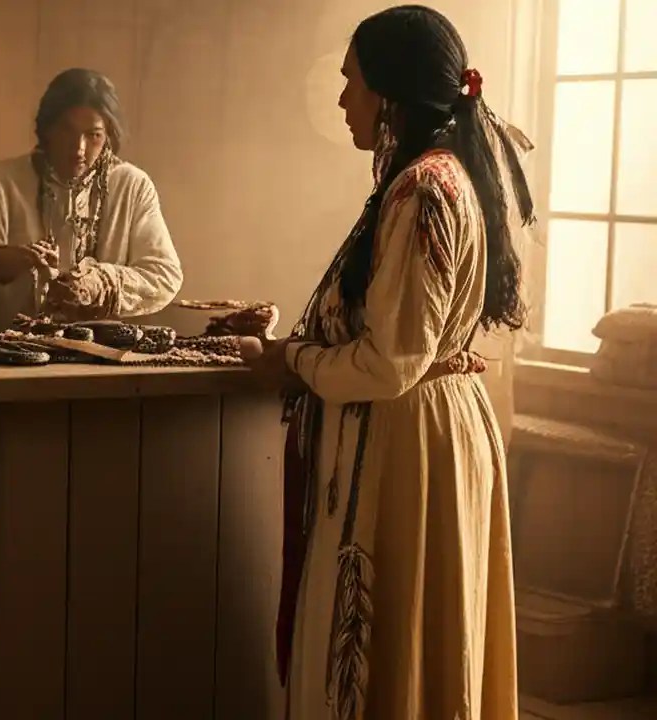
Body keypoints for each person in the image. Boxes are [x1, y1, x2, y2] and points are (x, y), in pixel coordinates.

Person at [248, 5, 535, 719]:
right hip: (438, 428)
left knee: (388, 642)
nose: (344, 101)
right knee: (421, 641)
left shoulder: (424, 190)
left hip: (408, 443)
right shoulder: (446, 177)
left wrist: (295, 358)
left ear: (389, 92)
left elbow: (390, 362)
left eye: (352, 83)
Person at [0, 68, 183, 338]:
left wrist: (101, 283)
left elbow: (164, 275)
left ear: (108, 136)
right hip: (6, 353)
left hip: (103, 357)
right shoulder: (5, 179)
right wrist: (4, 263)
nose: (78, 148)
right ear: (47, 128)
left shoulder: (133, 185)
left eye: (93, 135)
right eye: (67, 130)